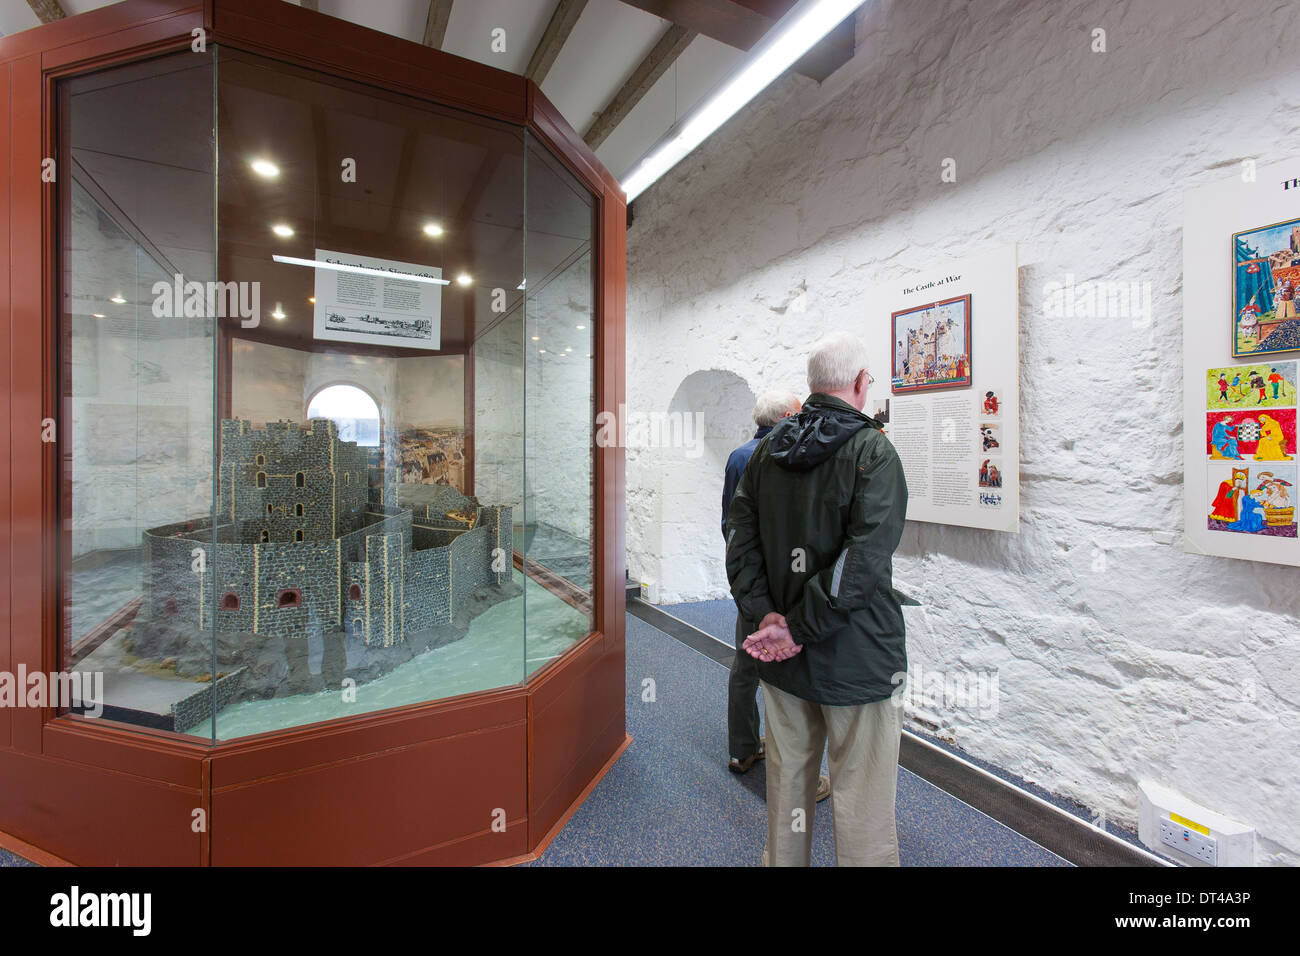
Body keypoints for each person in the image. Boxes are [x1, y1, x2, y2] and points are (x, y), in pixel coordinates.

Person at [726, 331, 908, 867]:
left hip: (783, 656)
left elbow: (741, 543)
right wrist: (797, 627)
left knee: (786, 792)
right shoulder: (873, 450)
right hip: (855, 656)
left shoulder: (766, 454)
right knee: (862, 805)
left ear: (810, 390)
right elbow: (863, 562)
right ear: (859, 383)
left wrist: (767, 617)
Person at [724, 390, 830, 803]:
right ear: (789, 415)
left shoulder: (738, 456)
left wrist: (747, 578)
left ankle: (742, 749)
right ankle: (797, 777)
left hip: (752, 584)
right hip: (788, 584)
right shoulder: (784, 456)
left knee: (745, 662)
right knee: (793, 672)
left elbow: (731, 524)